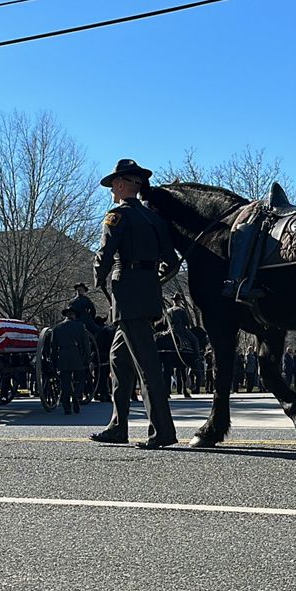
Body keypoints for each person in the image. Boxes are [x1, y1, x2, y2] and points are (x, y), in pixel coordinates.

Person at [89, 158, 179, 449]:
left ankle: (162, 431)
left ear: (119, 184)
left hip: (127, 295)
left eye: (114, 185)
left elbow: (106, 253)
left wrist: (97, 279)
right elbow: (173, 262)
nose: (112, 190)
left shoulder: (117, 215)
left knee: (146, 366)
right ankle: (118, 426)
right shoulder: (154, 218)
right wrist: (152, 281)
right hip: (147, 294)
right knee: (119, 360)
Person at [51, 306, 92, 415]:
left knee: (65, 383)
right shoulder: (80, 326)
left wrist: (54, 361)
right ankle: (76, 396)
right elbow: (86, 344)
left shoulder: (57, 328)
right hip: (76, 355)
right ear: (74, 315)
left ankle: (67, 408)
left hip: (62, 356)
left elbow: (53, 347)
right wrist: (87, 358)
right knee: (81, 379)